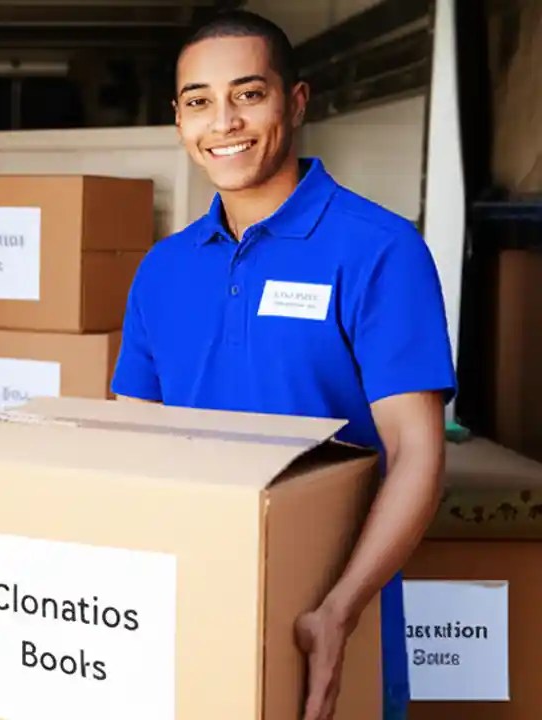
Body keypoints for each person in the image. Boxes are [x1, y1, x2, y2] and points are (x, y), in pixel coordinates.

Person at [110, 10, 455, 720]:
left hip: (330, 620)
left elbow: (416, 453)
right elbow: (132, 447)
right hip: (187, 611)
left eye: (248, 94)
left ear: (295, 102)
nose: (224, 122)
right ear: (178, 118)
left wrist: (337, 612)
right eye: (200, 102)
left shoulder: (381, 251)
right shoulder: (162, 270)